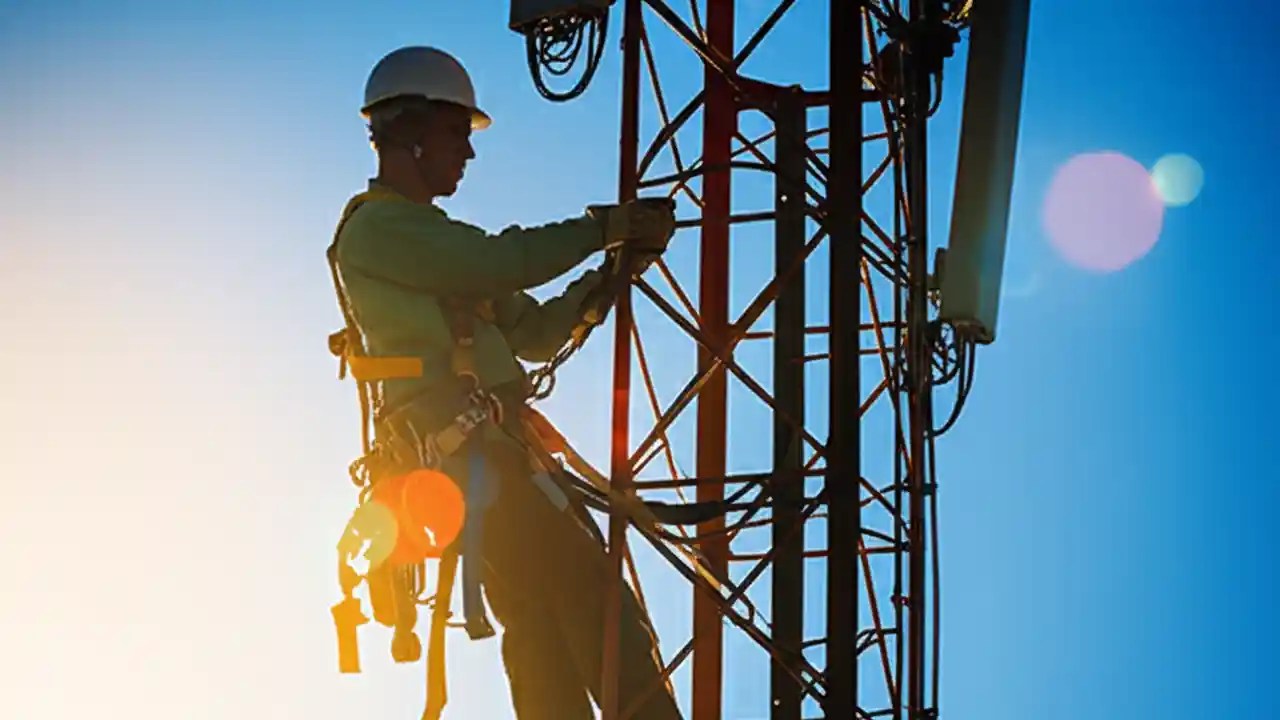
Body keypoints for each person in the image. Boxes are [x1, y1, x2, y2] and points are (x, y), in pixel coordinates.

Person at [329, 45, 684, 720]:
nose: (467, 153)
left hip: (490, 461)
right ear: (409, 131)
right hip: (472, 460)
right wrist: (604, 230)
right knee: (588, 596)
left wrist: (612, 273)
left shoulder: (435, 245)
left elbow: (536, 332)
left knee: (540, 626)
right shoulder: (379, 232)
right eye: (456, 134)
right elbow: (502, 262)